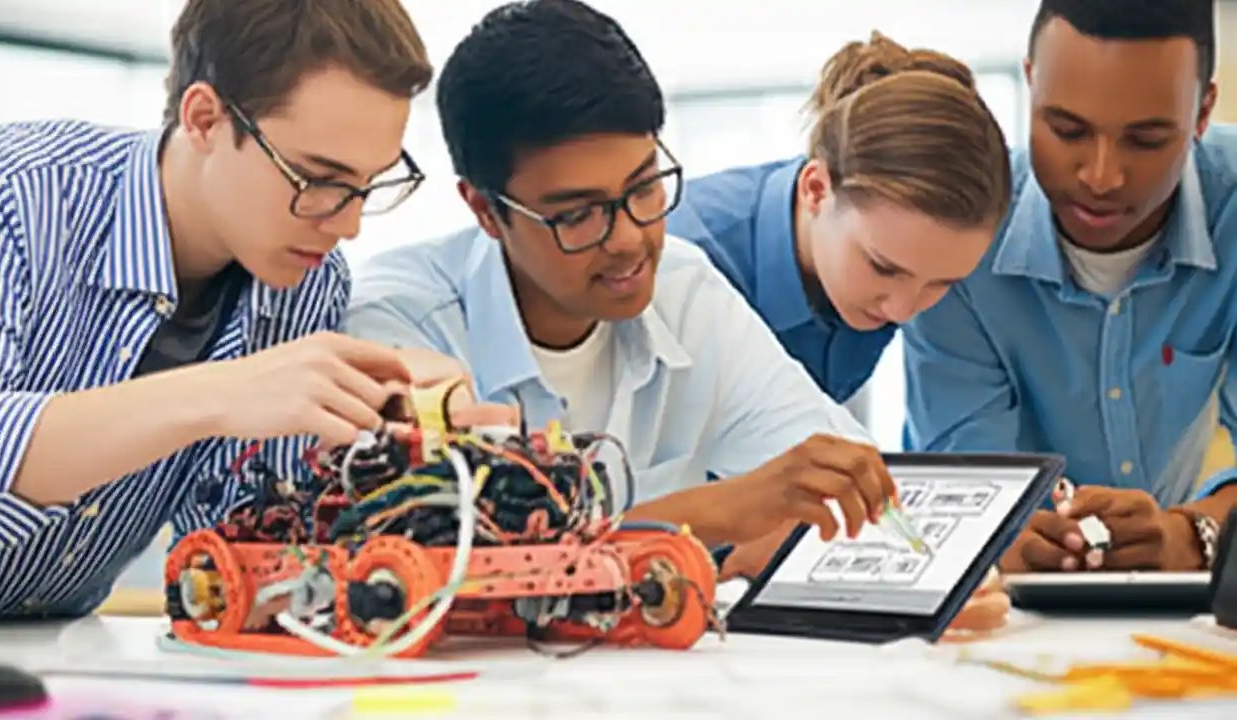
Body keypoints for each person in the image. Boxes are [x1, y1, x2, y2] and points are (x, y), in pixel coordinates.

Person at [346, 0, 1008, 634]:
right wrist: (722, 512)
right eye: (578, 215)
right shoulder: (402, 327)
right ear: (485, 211)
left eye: (644, 187)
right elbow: (431, 573)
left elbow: (847, 477)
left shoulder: (683, 288)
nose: (630, 238)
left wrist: (936, 570)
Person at [0, 0, 434, 620]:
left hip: (49, 650)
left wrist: (417, 462)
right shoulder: (7, 191)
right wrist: (220, 394)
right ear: (204, 118)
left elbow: (246, 556)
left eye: (367, 186)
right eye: (318, 179)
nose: (348, 225)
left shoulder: (308, 283)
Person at [903, 0, 1237, 574]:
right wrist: (1002, 541)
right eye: (1068, 130)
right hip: (999, 602)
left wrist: (1191, 534)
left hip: (1180, 599)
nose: (1101, 177)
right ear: (1030, 82)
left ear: (1202, 111)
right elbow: (967, 492)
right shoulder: (959, 230)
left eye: (1146, 139)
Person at [666, 31, 1012, 403]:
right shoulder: (679, 267)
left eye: (941, 284)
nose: (901, 310)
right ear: (816, 189)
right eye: (883, 268)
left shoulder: (875, 259)